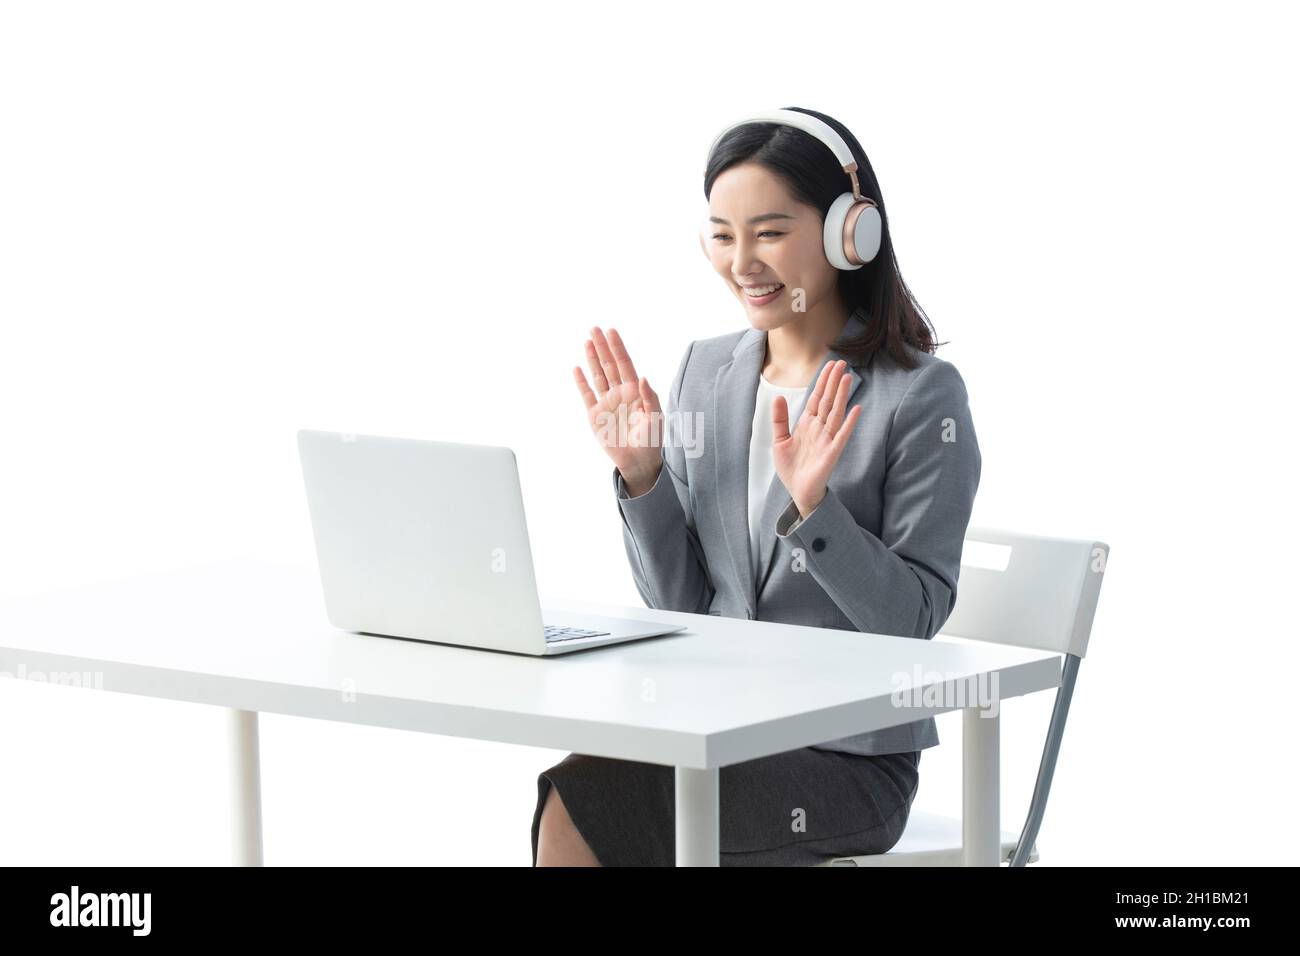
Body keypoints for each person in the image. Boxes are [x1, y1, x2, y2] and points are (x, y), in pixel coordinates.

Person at [535, 107, 982, 866]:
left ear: (851, 231)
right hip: (717, 725)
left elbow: (911, 625)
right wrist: (643, 477)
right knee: (576, 784)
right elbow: (681, 609)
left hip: (848, 762)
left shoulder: (919, 396)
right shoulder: (705, 373)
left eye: (770, 232)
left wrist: (816, 511)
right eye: (723, 235)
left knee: (594, 802)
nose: (743, 260)